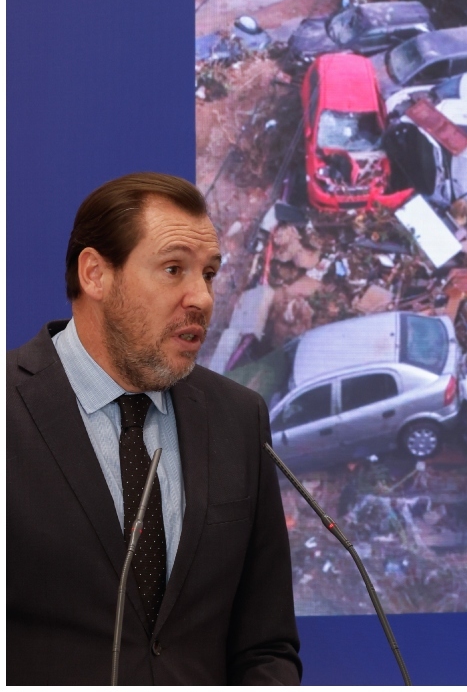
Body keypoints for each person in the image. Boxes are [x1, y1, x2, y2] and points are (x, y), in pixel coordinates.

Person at [8, 173, 301, 684]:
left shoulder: (238, 417)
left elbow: (266, 645)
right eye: (173, 269)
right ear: (96, 274)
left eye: (208, 274)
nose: (203, 299)